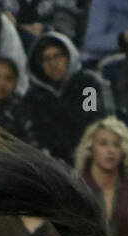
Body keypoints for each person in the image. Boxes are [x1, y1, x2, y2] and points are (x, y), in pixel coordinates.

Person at [22, 32, 114, 164]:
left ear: (70, 56)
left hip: (90, 159)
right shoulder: (34, 96)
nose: (53, 63)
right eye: (46, 59)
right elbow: (35, 135)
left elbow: (95, 121)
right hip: (51, 164)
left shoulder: (88, 85)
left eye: (58, 56)